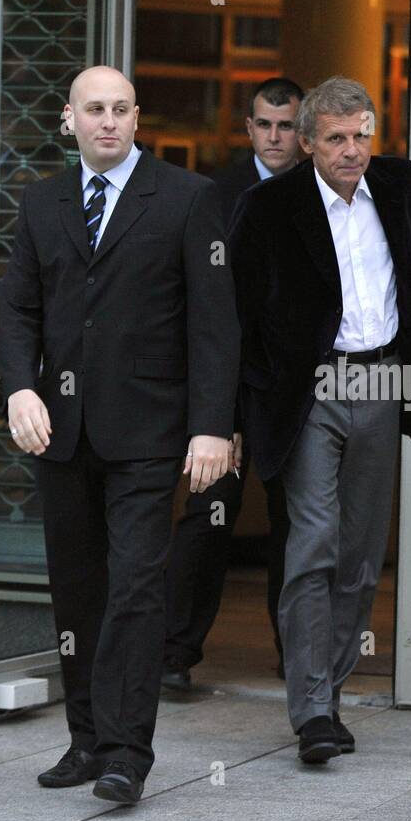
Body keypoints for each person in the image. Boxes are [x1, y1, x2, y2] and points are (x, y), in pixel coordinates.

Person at [0, 65, 238, 804]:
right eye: (93, 109)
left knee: (135, 587)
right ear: (69, 120)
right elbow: (18, 310)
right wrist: (19, 387)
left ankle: (127, 753)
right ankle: (85, 739)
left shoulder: (188, 199)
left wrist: (211, 428)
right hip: (61, 433)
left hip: (150, 433)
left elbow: (215, 324)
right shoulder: (41, 203)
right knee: (78, 592)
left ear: (139, 118)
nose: (108, 121)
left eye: (120, 109)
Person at [230, 76, 411, 763]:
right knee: (314, 542)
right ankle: (312, 709)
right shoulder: (267, 208)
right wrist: (237, 413)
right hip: (312, 388)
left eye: (361, 136)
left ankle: (333, 689)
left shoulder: (399, 184)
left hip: (383, 377)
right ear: (306, 141)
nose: (352, 151)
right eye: (336, 139)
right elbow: (240, 315)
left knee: (358, 556)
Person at [162, 77, 305, 690]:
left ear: (303, 132)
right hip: (226, 388)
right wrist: (221, 414)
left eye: (287, 125)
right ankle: (172, 655)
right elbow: (201, 304)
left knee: (297, 526)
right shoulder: (213, 194)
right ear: (248, 129)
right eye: (265, 125)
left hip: (296, 391)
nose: (275, 137)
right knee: (208, 515)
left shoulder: (322, 192)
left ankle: (295, 658)